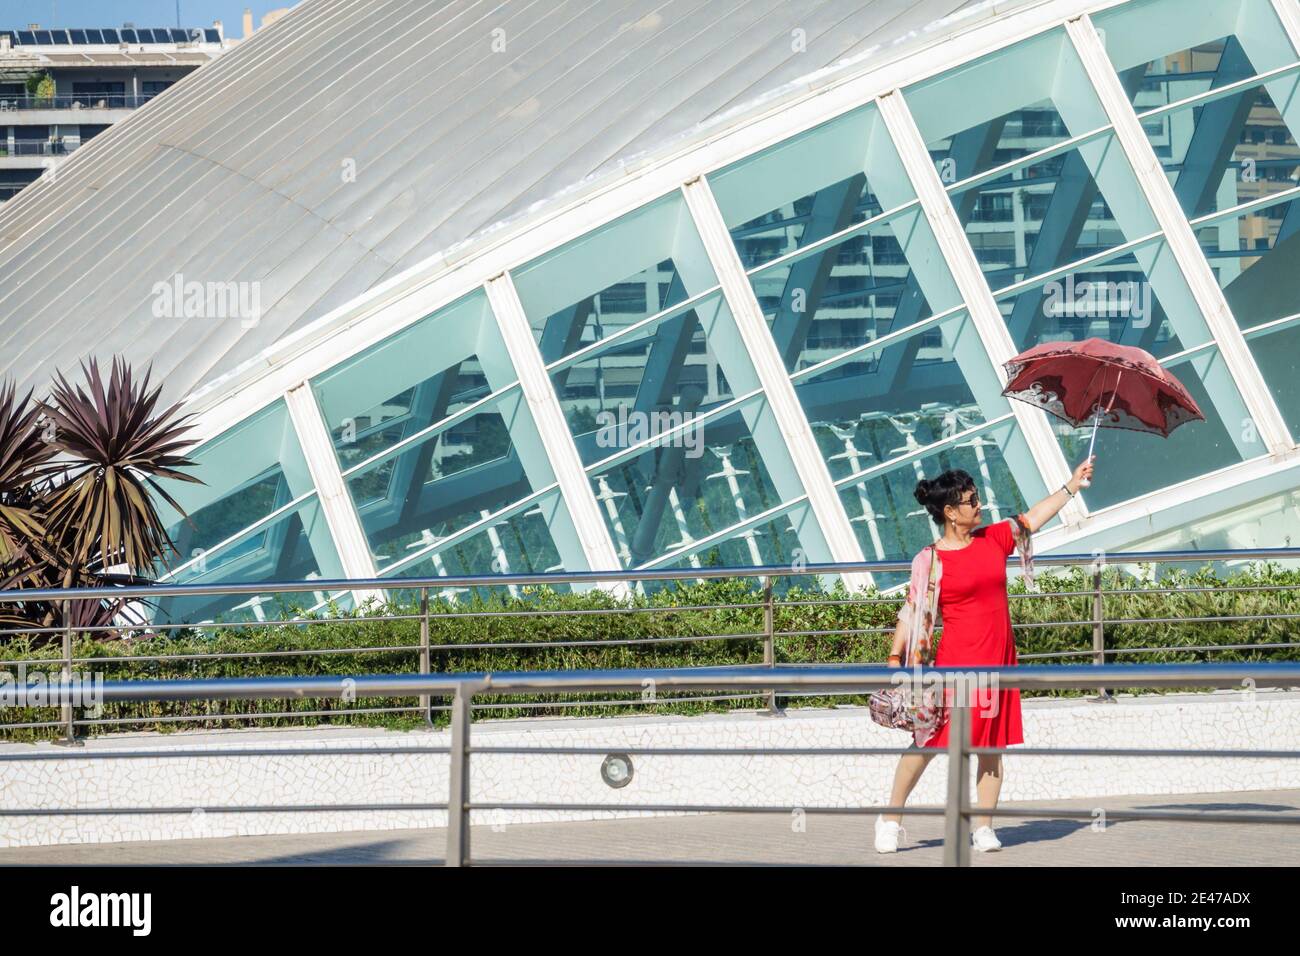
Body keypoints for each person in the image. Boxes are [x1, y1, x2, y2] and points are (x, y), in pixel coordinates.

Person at [874, 457, 1095, 854]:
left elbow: (1032, 519)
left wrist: (1071, 485)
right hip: (957, 667)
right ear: (950, 512)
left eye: (976, 498)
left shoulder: (993, 539)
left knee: (991, 746)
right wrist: (895, 660)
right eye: (971, 500)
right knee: (930, 741)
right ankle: (890, 819)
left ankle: (984, 828)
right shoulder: (931, 560)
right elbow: (913, 610)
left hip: (999, 662)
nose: (979, 505)